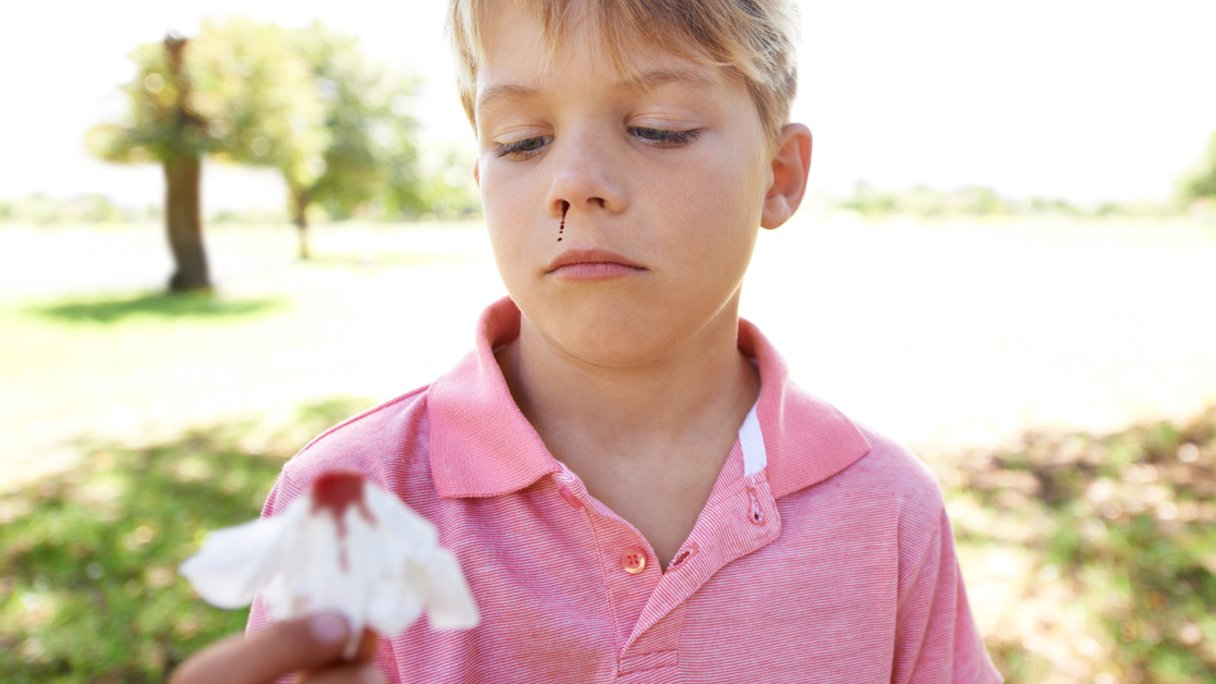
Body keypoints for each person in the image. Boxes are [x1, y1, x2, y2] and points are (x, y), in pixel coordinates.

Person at [173, 0, 1002, 681]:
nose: (573, 183)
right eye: (522, 141)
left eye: (660, 127)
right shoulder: (352, 500)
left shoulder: (886, 510)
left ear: (779, 176)